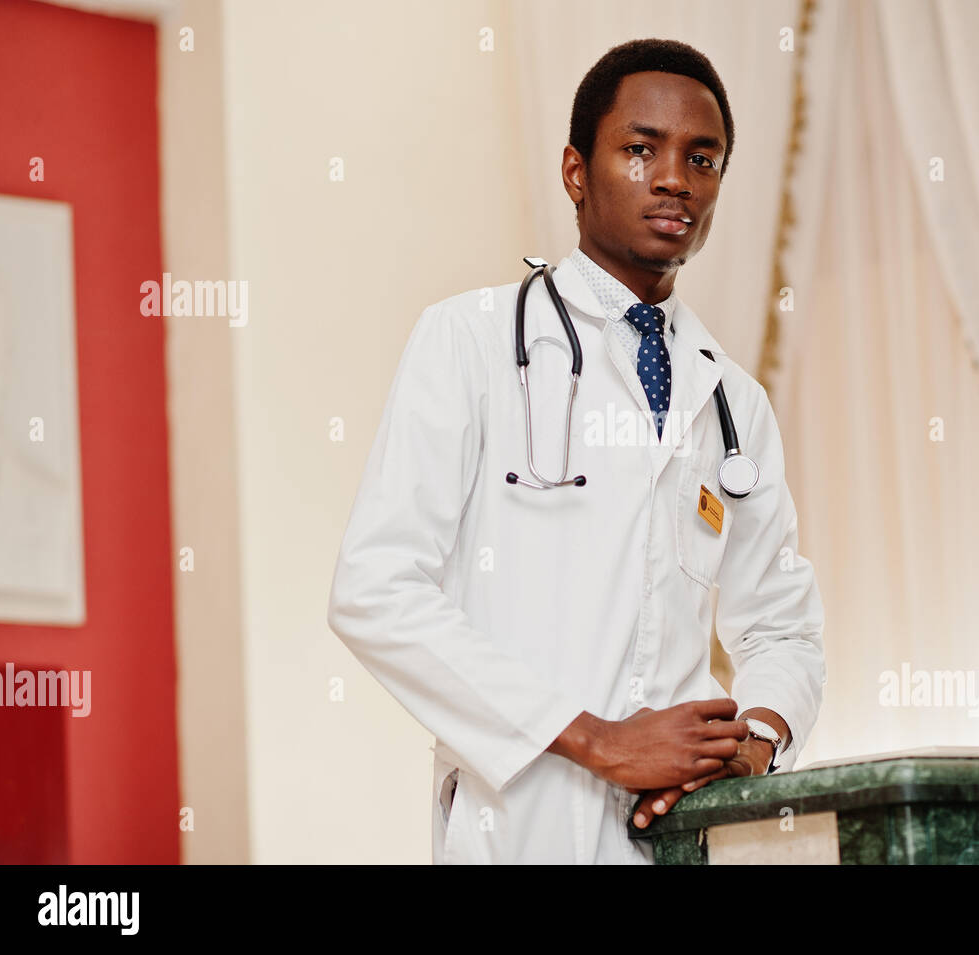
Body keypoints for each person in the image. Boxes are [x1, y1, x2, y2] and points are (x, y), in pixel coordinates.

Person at [327, 38, 824, 864]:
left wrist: (759, 737)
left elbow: (781, 628)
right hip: (520, 821)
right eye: (640, 150)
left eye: (702, 159)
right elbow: (374, 590)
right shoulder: (471, 343)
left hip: (684, 831)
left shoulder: (734, 401)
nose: (674, 179)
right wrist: (596, 739)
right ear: (575, 172)